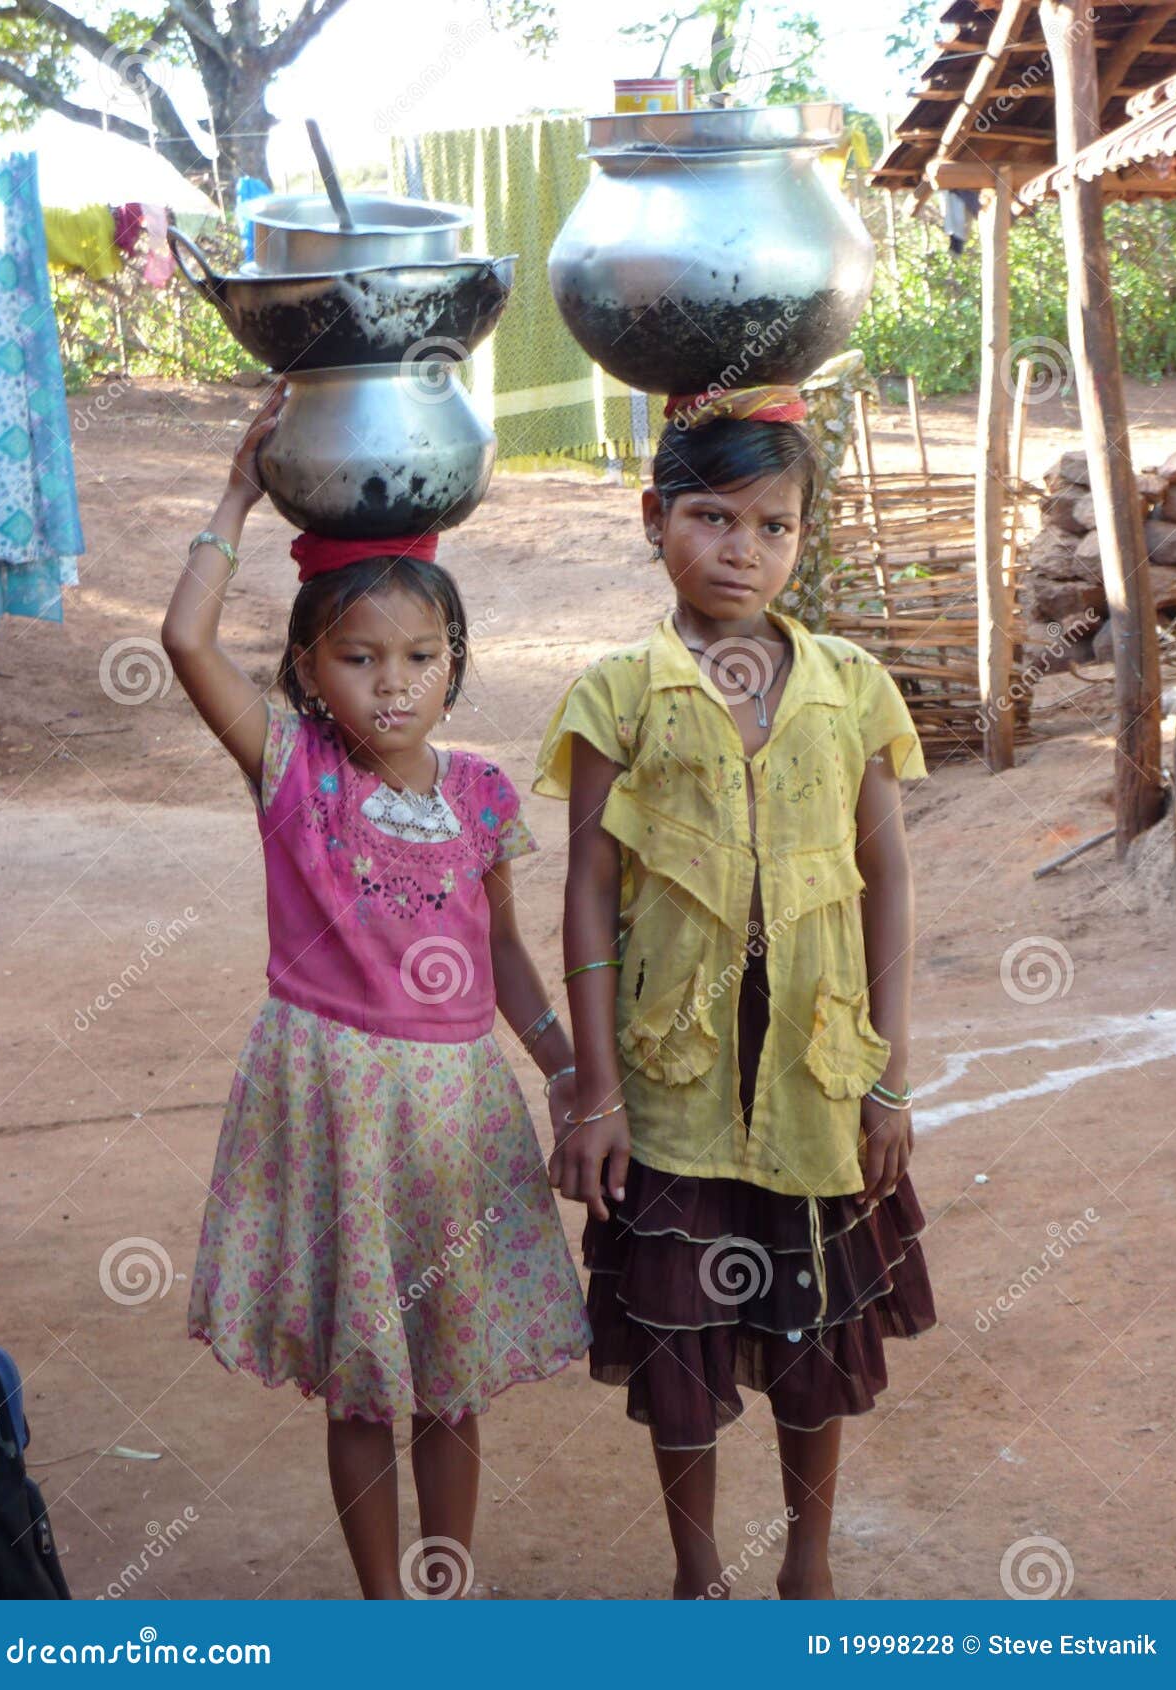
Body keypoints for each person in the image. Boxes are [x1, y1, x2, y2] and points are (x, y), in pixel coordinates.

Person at [161, 384, 590, 1600]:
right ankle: (381, 1613)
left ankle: (444, 1598)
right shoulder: (292, 770)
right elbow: (186, 644)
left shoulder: (486, 798)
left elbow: (503, 954)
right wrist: (236, 495)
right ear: (308, 667)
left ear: (456, 662)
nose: (390, 684)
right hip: (334, 1101)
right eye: (356, 659)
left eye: (418, 657)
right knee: (365, 1380)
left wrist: (563, 1066)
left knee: (446, 1375)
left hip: (453, 1112)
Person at [535, 385, 937, 1601]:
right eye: (712, 518)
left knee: (816, 1331)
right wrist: (594, 1090)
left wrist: (890, 1073)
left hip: (818, 1069)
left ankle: (806, 1572)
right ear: (655, 518)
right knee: (681, 1331)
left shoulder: (853, 686)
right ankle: (696, 1570)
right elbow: (587, 895)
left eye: (774, 525)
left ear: (801, 536)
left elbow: (889, 876)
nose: (742, 550)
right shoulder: (619, 693)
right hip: (676, 1074)